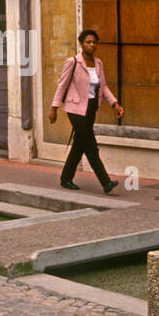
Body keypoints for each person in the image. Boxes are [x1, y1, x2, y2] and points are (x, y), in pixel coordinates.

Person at [47, 29, 125, 194]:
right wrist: (54, 108)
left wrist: (115, 103)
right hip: (75, 109)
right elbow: (62, 85)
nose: (92, 45)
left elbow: (103, 87)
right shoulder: (73, 62)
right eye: (88, 42)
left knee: (79, 144)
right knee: (90, 145)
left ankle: (65, 178)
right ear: (81, 44)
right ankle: (106, 182)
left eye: (94, 42)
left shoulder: (98, 63)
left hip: (90, 108)